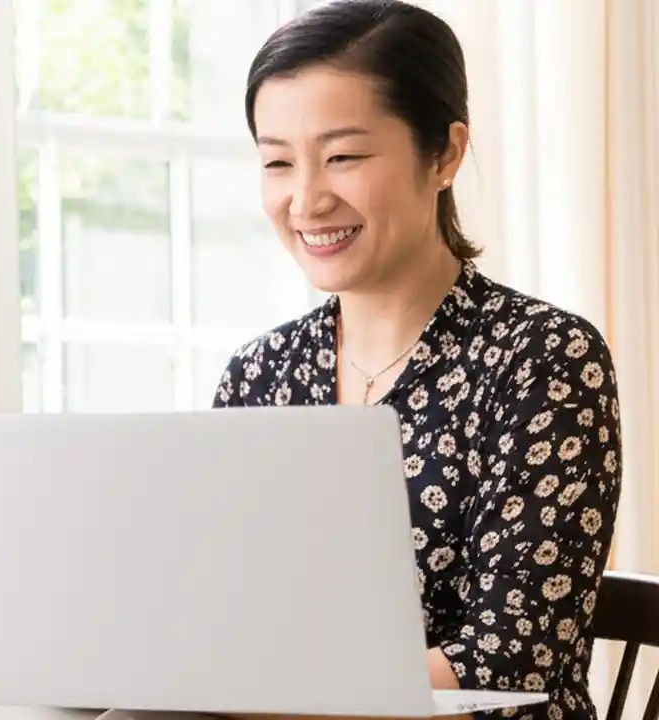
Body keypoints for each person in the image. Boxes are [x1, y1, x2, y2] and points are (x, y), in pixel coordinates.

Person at [210, 2, 623, 720]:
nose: (305, 199)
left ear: (446, 154)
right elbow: (220, 615)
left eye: (344, 156)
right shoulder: (259, 375)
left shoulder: (544, 359)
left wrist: (272, 698)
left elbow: (506, 657)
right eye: (277, 161)